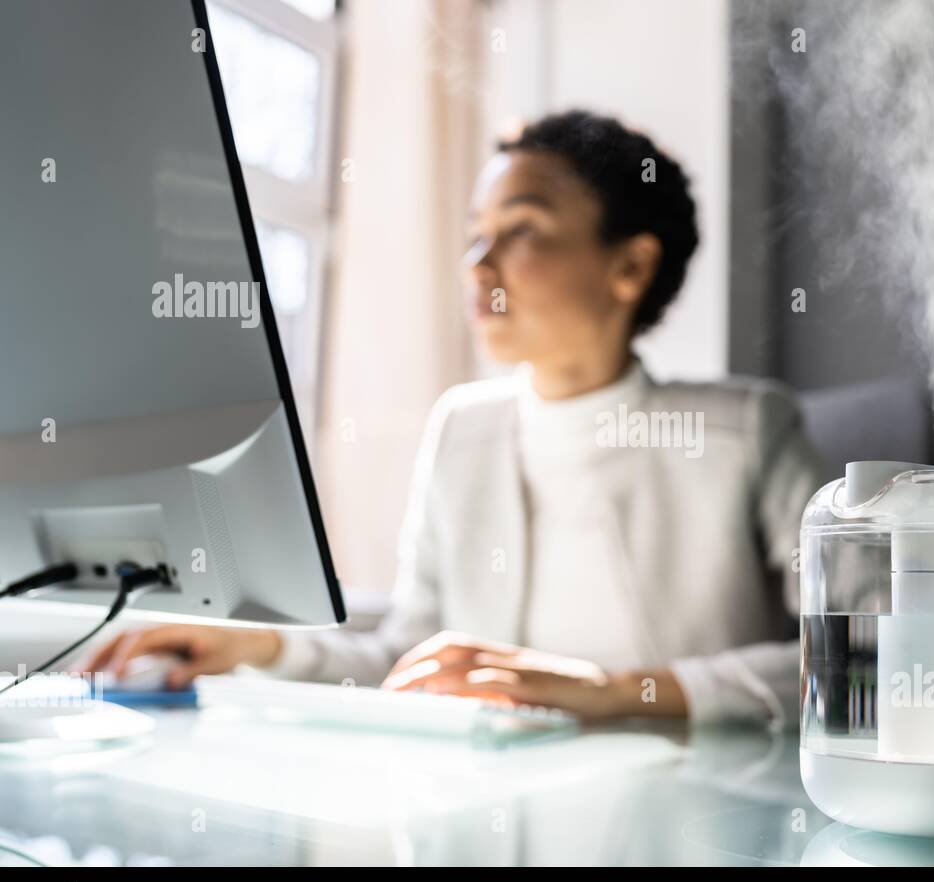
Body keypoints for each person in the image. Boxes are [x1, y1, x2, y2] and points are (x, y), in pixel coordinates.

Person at [86, 111, 823, 725]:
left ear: (629, 267)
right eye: (476, 231)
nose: (478, 261)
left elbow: (866, 660)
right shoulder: (462, 429)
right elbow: (410, 652)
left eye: (523, 230)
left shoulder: (747, 430)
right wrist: (259, 647)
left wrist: (612, 691)